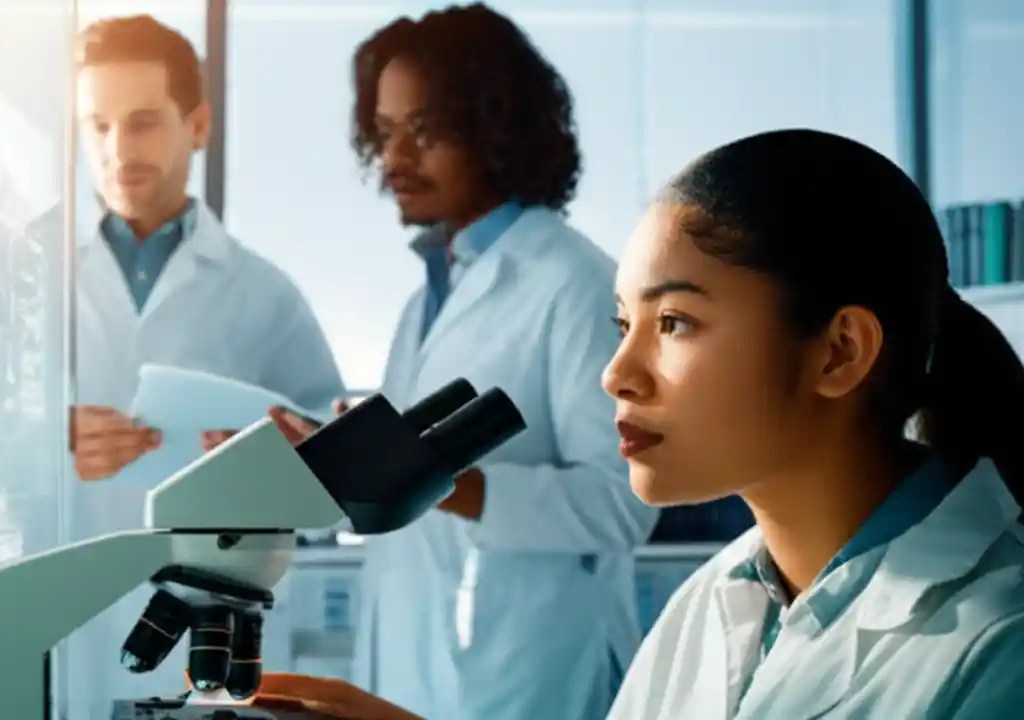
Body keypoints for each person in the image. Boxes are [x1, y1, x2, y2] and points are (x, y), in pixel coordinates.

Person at [253, 129, 1024, 719]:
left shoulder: (999, 640)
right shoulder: (714, 606)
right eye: (624, 323)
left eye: (677, 322)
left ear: (839, 351)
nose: (616, 373)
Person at [227, 5, 659, 718]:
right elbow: (403, 486)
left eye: (423, 132)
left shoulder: (575, 284)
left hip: (528, 675)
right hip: (417, 665)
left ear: (497, 130)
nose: (395, 159)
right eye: (386, 134)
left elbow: (623, 503)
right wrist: (327, 459)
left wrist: (441, 481)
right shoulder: (422, 301)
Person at [65, 15, 344, 719]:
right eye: (96, 124)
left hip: (209, 629)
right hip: (54, 613)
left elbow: (335, 471)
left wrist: (280, 464)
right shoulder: (28, 272)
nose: (117, 149)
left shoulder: (263, 294)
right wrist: (46, 439)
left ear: (197, 126)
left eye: (143, 121)